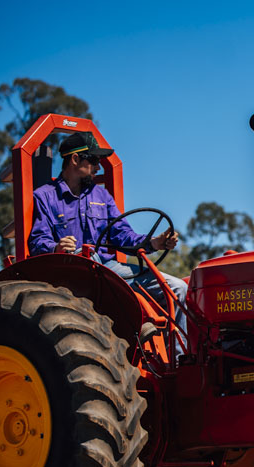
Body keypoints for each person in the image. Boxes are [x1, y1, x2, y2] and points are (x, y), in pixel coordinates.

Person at [28, 132, 188, 352]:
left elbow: (123, 234)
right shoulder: (44, 196)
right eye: (93, 160)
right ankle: (136, 323)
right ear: (75, 159)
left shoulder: (100, 196)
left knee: (177, 288)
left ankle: (179, 361)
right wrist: (55, 247)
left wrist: (155, 243)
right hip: (72, 272)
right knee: (99, 272)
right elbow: (37, 240)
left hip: (110, 269)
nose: (98, 168)